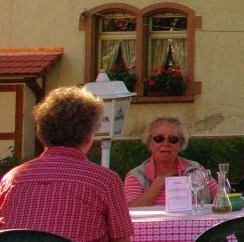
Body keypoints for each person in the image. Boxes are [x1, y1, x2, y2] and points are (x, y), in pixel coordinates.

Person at [0, 87, 133, 242]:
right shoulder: (105, 180)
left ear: (41, 135)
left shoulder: (12, 179)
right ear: (88, 137)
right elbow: (121, 239)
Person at [124, 115, 217, 207]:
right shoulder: (136, 176)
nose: (165, 144)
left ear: (181, 144)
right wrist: (158, 183)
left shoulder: (196, 169)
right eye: (159, 138)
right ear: (149, 143)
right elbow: (130, 211)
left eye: (173, 139)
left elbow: (221, 198)